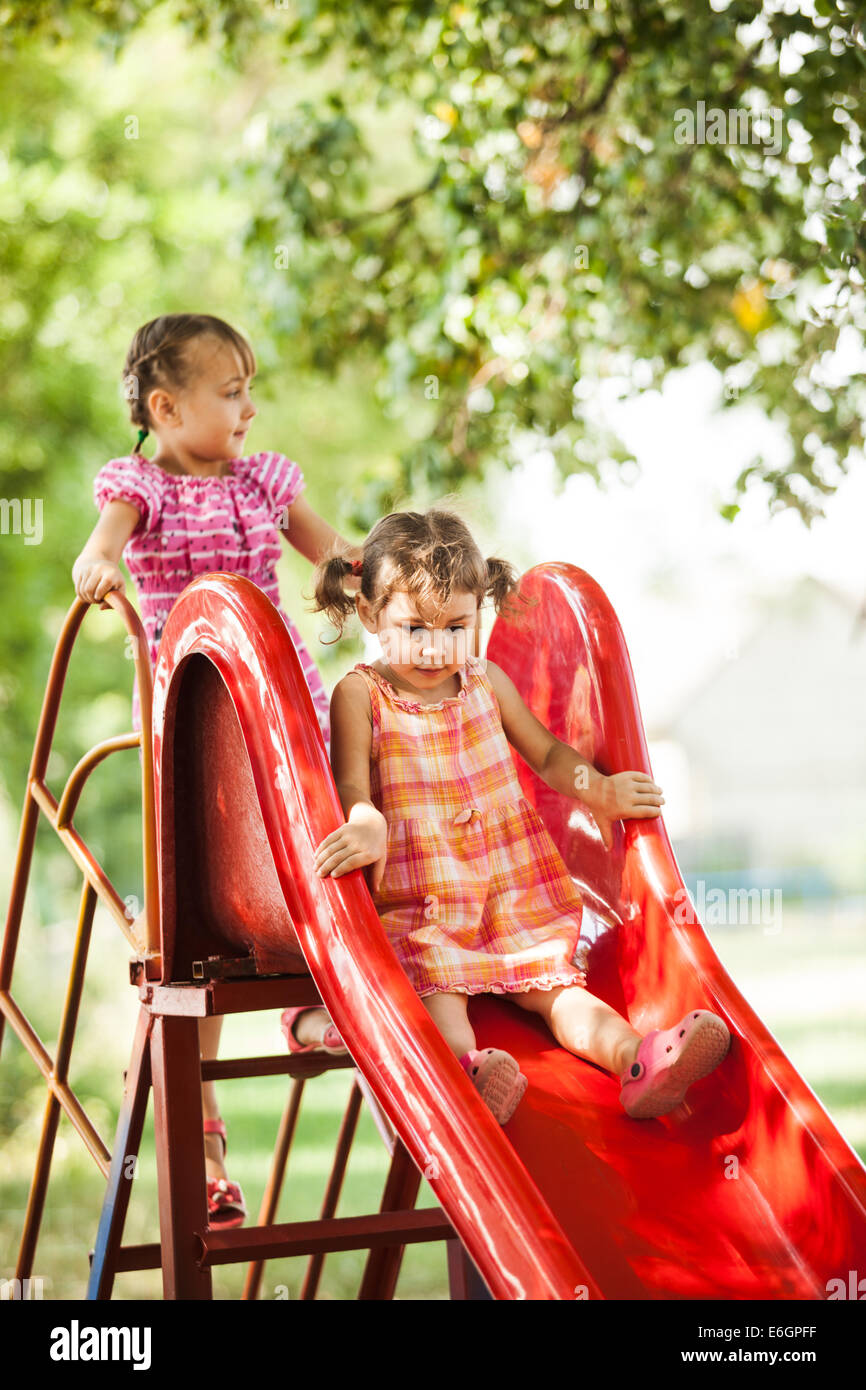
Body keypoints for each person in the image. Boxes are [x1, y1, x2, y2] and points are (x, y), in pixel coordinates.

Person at [310, 507, 731, 1124]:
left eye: (456, 626)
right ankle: (464, 1076)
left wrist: (602, 792)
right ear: (371, 615)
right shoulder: (361, 693)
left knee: (559, 993)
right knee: (441, 993)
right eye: (413, 628)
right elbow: (351, 782)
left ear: (478, 613)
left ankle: (638, 1063)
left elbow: (551, 755)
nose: (435, 647)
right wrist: (365, 822)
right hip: (427, 891)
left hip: (509, 885)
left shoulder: (486, 681)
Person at [71, 313, 352, 1222]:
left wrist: (370, 575)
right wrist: (98, 566)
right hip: (199, 718)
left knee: (317, 860)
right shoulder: (140, 486)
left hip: (279, 707)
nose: (249, 408)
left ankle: (313, 1011)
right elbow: (104, 545)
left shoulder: (265, 484)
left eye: (247, 390)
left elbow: (334, 553)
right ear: (165, 405)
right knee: (200, 932)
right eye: (230, 393)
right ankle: (204, 1148)